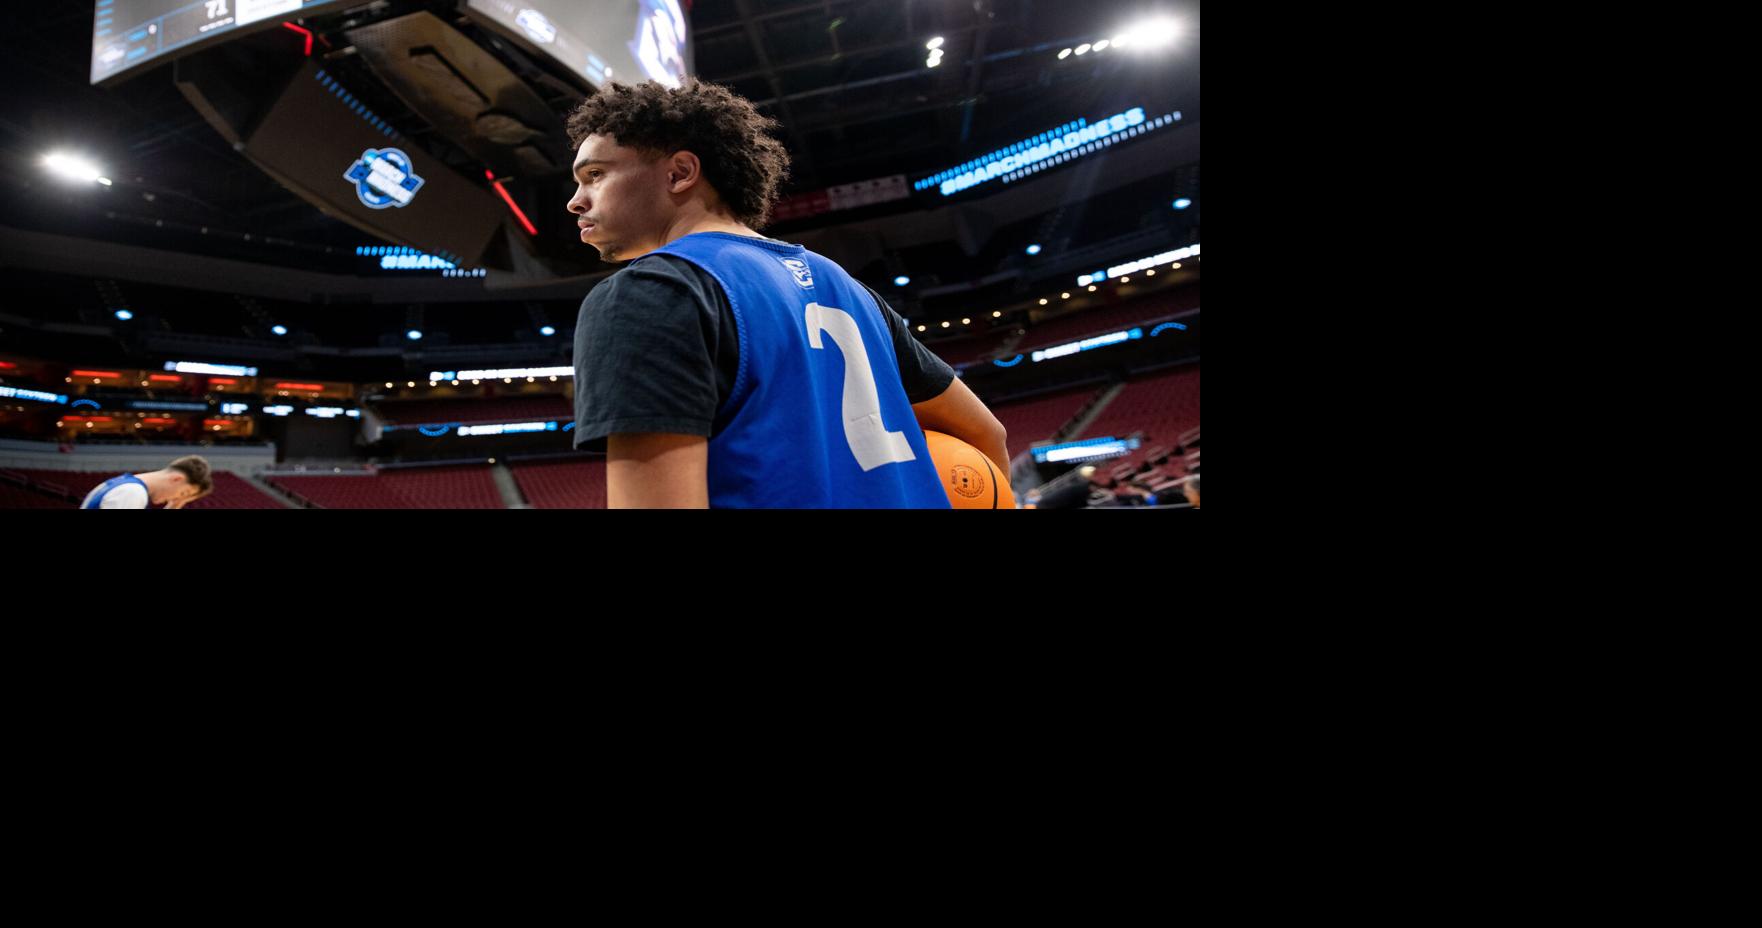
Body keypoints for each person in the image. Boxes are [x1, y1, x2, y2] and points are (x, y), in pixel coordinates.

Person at [565, 79, 1008, 508]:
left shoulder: (648, 294)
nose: (575, 201)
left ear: (680, 173)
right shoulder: (850, 290)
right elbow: (989, 436)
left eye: (596, 175)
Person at [79, 456, 213, 510]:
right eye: (184, 492)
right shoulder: (132, 493)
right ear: (176, 479)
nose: (178, 498)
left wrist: (174, 506)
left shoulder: (126, 484)